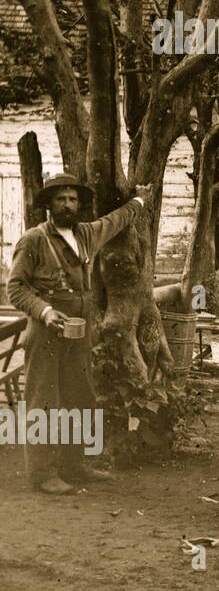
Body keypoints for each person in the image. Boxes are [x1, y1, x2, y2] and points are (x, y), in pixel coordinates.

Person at [6, 175, 153, 495]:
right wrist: (44, 311)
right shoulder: (33, 241)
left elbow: (115, 220)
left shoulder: (86, 234)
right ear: (48, 204)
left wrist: (140, 202)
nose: (68, 205)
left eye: (73, 199)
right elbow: (15, 288)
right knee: (44, 400)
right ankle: (42, 474)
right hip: (47, 332)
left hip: (80, 332)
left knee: (80, 396)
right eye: (61, 199)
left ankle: (75, 465)